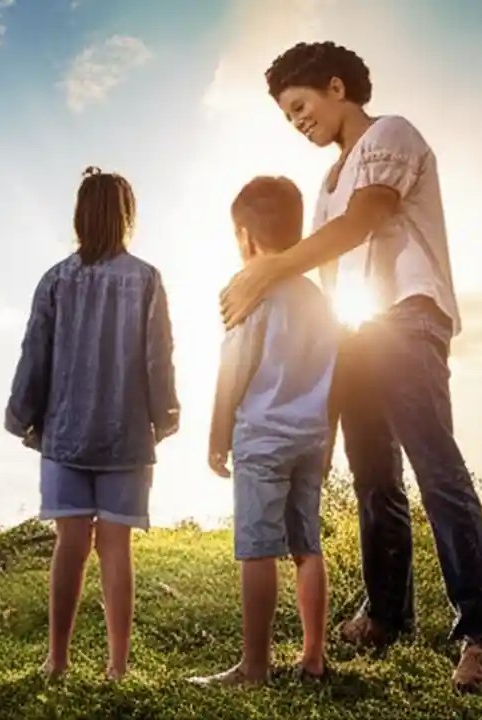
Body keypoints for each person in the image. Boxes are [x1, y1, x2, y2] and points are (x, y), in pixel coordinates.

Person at [218, 41, 482, 692]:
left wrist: (271, 265)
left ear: (335, 87)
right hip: (357, 330)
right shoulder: (327, 181)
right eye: (286, 115)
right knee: (374, 478)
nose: (297, 121)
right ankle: (386, 615)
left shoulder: (391, 134)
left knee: (436, 470)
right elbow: (331, 266)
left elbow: (367, 219)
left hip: (409, 317)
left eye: (300, 105)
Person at [5, 166, 180, 682]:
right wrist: (164, 415)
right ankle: (117, 666)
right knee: (115, 550)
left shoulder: (55, 279)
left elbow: (34, 351)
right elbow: (158, 356)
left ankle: (56, 661)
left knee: (71, 545)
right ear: (127, 216)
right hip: (126, 434)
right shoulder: (146, 278)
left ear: (79, 216)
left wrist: (22, 415)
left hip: (64, 432)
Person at [187, 176, 339, 687]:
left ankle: (254, 667)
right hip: (311, 436)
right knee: (305, 545)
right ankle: (313, 658)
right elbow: (335, 375)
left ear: (246, 236)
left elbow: (234, 369)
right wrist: (328, 441)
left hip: (263, 437)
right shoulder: (318, 298)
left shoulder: (247, 288)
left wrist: (215, 434)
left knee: (257, 547)